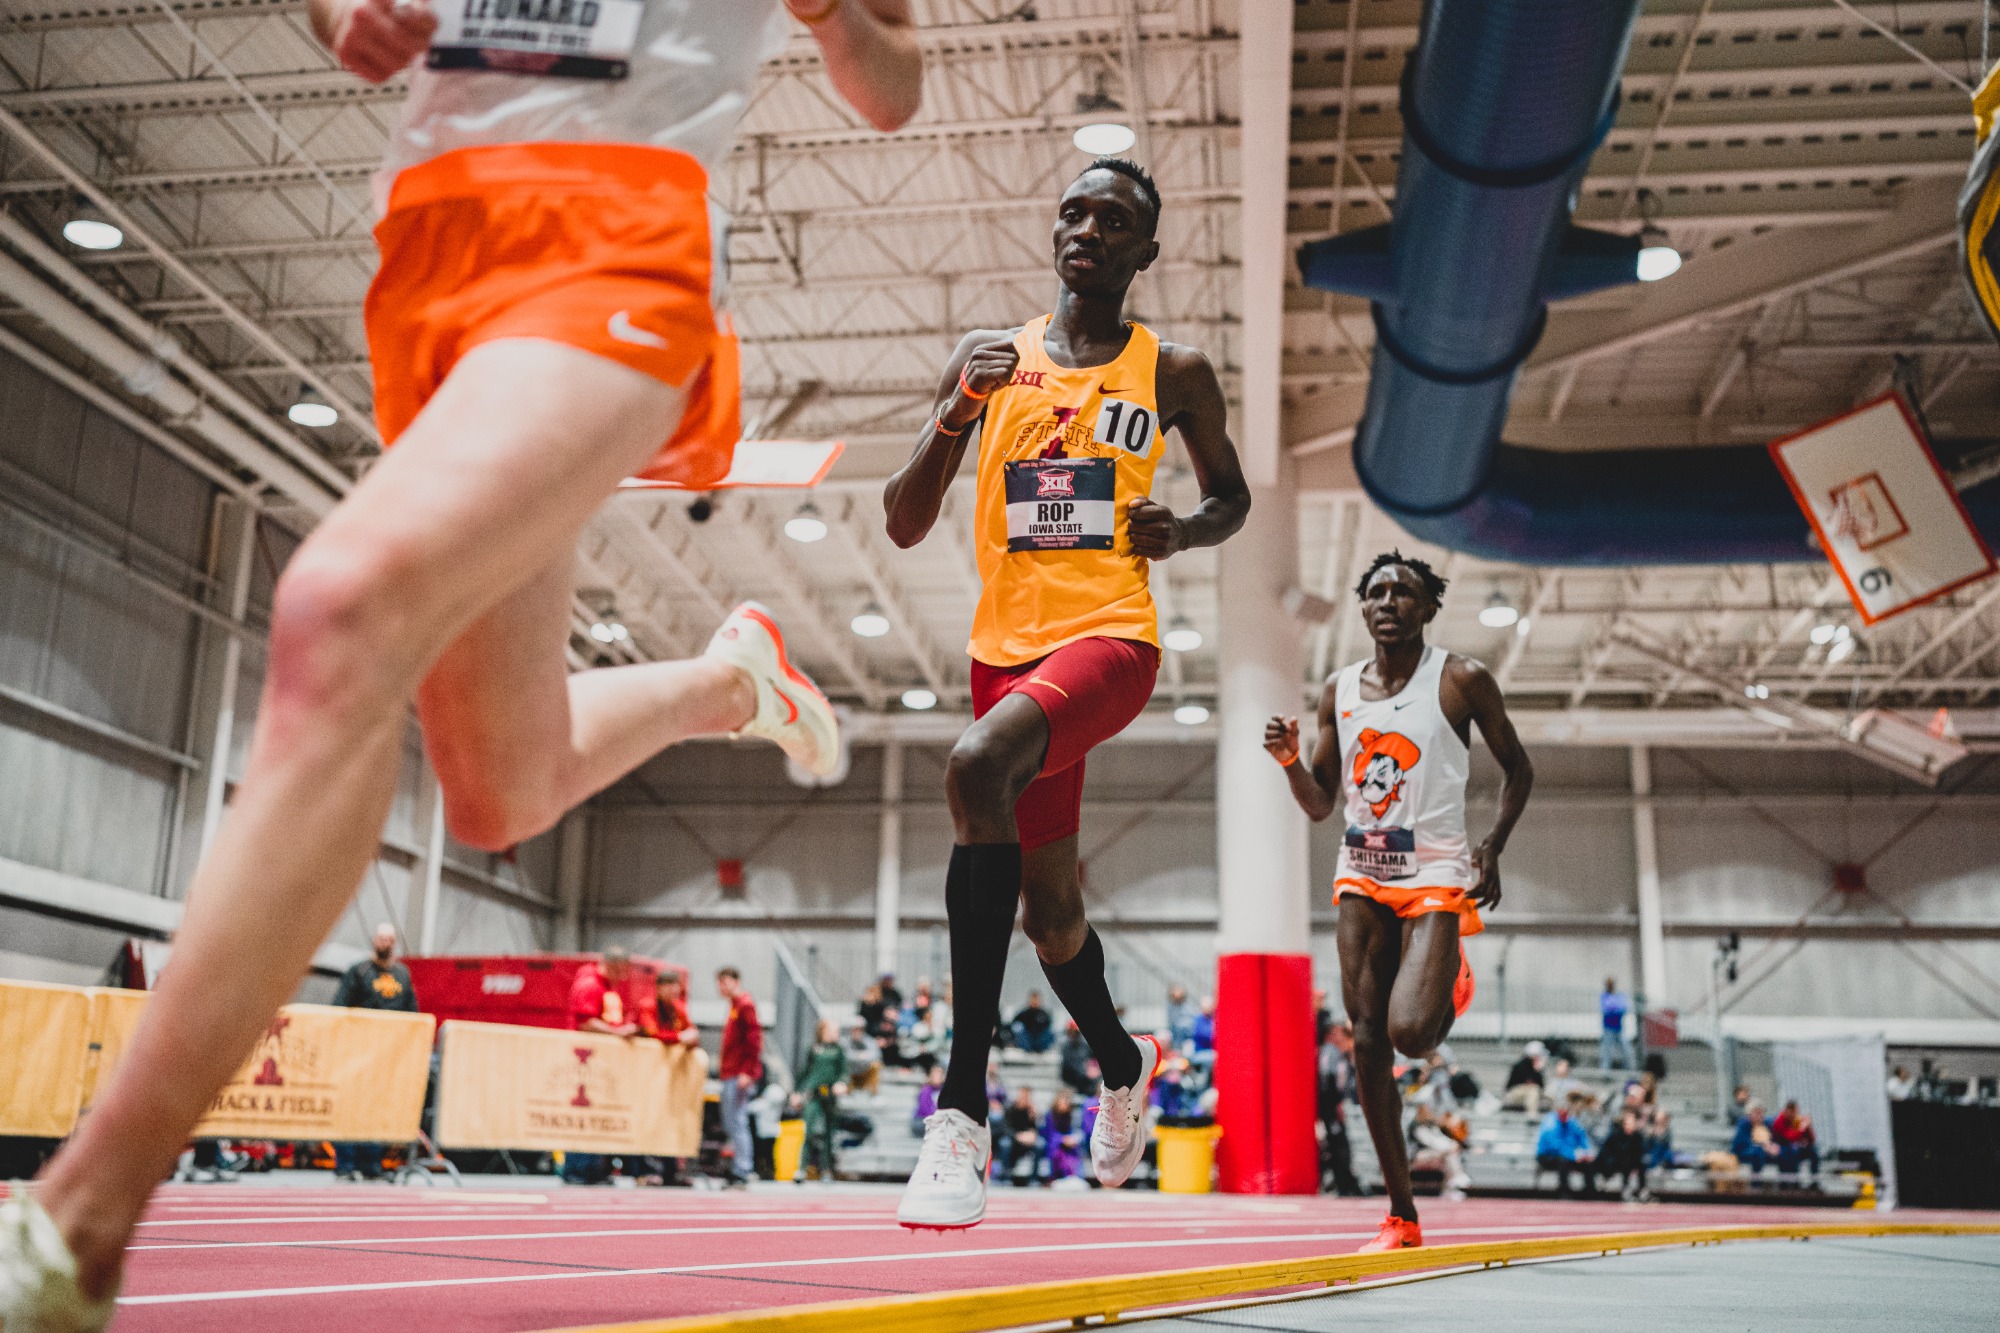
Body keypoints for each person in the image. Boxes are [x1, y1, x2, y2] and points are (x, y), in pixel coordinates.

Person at [0, 3, 923, 1324]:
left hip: (618, 236)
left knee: (338, 610)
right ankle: (728, 683)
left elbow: (894, 79)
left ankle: (73, 1228)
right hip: (432, 252)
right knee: (503, 787)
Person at [887, 157, 1251, 1230]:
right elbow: (905, 520)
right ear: (1054, 232)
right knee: (1050, 918)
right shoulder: (987, 361)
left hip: (1109, 643)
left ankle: (959, 1114)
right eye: (1074, 211)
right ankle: (1121, 1057)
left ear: (1144, 251)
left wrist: (1180, 530)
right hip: (1002, 650)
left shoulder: (1170, 369)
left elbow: (1229, 495)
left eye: (1116, 219)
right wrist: (956, 409)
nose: (1087, 228)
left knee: (971, 766)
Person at [1266, 550, 1533, 1253]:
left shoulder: (1461, 679)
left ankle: (1449, 974)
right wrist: (1292, 761)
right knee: (1368, 1039)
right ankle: (1401, 1214)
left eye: (1403, 591)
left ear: (1427, 607)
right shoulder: (1339, 689)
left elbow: (1519, 768)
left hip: (1438, 871)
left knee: (1414, 1033)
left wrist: (1494, 844)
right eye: (1376, 591)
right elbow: (1323, 804)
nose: (1388, 601)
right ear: (1363, 608)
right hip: (1362, 873)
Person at [331, 922, 419, 1181]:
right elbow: (339, 1008)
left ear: (395, 943)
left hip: (388, 1057)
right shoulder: (358, 972)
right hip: (358, 1054)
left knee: (377, 1108)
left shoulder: (403, 975)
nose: (386, 943)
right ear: (374, 941)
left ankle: (372, 1166)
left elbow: (413, 1014)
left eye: (390, 939)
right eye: (382, 939)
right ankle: (346, 1165)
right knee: (351, 1106)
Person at [563, 948, 637, 1185]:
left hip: (600, 1060)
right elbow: (585, 1022)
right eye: (623, 970)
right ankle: (577, 1168)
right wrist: (617, 1032)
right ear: (614, 965)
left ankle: (593, 1167)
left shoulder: (607, 988)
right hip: (584, 1060)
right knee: (583, 1114)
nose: (624, 977)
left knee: (597, 1114)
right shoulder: (591, 985)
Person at [717, 966, 764, 1189]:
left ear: (736, 981)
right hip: (730, 1072)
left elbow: (754, 1041)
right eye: (719, 983)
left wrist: (748, 1071)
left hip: (739, 1074)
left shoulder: (745, 1005)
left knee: (738, 1121)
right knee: (732, 1122)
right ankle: (738, 1166)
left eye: (724, 982)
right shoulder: (734, 1006)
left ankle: (743, 1170)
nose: (721, 987)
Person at [796, 1020, 849, 1183]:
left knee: (828, 1134)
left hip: (830, 1096)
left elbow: (844, 1072)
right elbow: (805, 1072)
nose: (836, 1034)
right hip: (815, 1094)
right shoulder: (813, 1049)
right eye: (833, 1030)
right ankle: (801, 1169)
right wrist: (797, 1092)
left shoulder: (839, 1050)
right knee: (809, 1131)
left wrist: (842, 1083)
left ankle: (826, 1170)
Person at [1317, 1020, 1362, 1196]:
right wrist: (1336, 1103)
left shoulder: (1342, 1054)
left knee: (1342, 1143)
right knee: (1337, 1144)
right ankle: (1343, 1183)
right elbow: (1329, 1079)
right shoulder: (1329, 1052)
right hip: (1332, 1104)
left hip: (1340, 1102)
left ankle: (1347, 1182)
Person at [1536, 1095, 1598, 1197]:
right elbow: (1556, 1146)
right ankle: (1564, 1192)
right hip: (1548, 1155)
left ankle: (1590, 1192)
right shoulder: (1550, 1124)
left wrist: (1587, 1153)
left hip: (1569, 1153)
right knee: (1563, 1160)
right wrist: (1574, 1155)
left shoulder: (1571, 1121)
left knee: (1588, 1163)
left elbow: (1582, 1137)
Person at [1597, 1108, 1650, 1201]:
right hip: (1616, 1161)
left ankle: (1642, 1190)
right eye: (1627, 1122)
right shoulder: (1616, 1134)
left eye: (1631, 1122)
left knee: (1640, 1163)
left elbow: (1640, 1151)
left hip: (1631, 1161)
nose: (1629, 1124)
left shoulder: (1637, 1136)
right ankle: (1626, 1189)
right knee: (1626, 1162)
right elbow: (1611, 1151)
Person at [999, 1087, 1043, 1185]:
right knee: (1004, 1144)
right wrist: (1018, 1136)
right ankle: (1006, 1177)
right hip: (1014, 1139)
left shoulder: (1031, 1111)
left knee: (1040, 1144)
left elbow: (1036, 1130)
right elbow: (1005, 1129)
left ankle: (1034, 1179)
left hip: (1028, 1140)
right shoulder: (1010, 1108)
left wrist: (1035, 1118)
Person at [1044, 1089, 1086, 1184]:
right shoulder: (1050, 1115)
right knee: (1055, 1150)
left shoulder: (1073, 1115)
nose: (1063, 1105)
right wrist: (1062, 1139)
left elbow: (1077, 1131)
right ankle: (1055, 1177)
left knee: (1077, 1148)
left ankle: (1078, 1177)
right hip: (1055, 1142)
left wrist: (1072, 1139)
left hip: (1070, 1142)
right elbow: (1050, 1133)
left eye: (1065, 1102)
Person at [1771, 1100, 1819, 1177]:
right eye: (1792, 1112)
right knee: (1792, 1151)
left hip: (1795, 1146)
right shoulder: (1779, 1121)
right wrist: (1802, 1128)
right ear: (1787, 1111)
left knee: (1813, 1150)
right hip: (1782, 1146)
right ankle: (1793, 1183)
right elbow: (1789, 1137)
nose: (1794, 1115)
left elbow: (1811, 1140)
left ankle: (1814, 1180)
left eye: (1796, 1112)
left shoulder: (1798, 1120)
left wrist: (1808, 1127)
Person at [1503, 1040, 1549, 1113]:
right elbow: (1512, 1085)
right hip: (1513, 1093)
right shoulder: (1520, 1066)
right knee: (1534, 1090)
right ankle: (1532, 1116)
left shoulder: (1537, 1068)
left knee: (1549, 1094)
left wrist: (1538, 1072)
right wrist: (1535, 1072)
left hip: (1529, 1093)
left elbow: (1541, 1086)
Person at [1600, 977, 1633, 1071]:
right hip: (1608, 1028)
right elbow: (1606, 1009)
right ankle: (1605, 1072)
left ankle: (1629, 1070)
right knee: (1606, 1051)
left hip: (1619, 1027)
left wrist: (1614, 1009)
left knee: (1626, 1050)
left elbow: (1623, 1008)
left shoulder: (1619, 996)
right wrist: (1616, 1009)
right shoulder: (1604, 996)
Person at [842, 1020, 882, 1097]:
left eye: (859, 1029)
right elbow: (844, 1056)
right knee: (844, 1067)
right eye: (854, 1029)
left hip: (864, 1072)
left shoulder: (869, 1040)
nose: (857, 1032)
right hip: (851, 1074)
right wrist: (858, 1056)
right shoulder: (845, 1041)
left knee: (876, 1065)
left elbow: (876, 1055)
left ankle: (874, 1095)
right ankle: (848, 1094)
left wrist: (862, 1057)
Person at [1058, 1022, 1099, 1095]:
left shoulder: (1086, 1045)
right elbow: (1068, 1065)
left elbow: (1094, 1059)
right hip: (1071, 1080)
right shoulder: (1065, 1047)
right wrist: (1085, 1072)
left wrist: (1094, 1070)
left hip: (1087, 1080)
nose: (1074, 1035)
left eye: (1076, 1032)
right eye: (1071, 1032)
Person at [912, 1064, 946, 1136]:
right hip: (924, 1119)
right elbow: (924, 1108)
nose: (937, 1077)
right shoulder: (925, 1091)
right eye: (935, 1075)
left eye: (939, 1075)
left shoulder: (945, 1091)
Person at [1165, 985, 1195, 1052]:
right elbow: (1172, 1021)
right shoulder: (1170, 1006)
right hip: (1175, 1033)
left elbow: (1191, 1020)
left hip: (1187, 1035)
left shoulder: (1187, 1006)